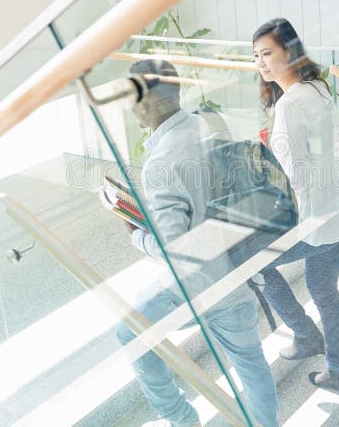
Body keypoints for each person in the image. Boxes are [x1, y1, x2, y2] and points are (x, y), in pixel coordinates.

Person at [114, 59, 279, 427]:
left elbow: (180, 254)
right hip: (238, 270)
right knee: (250, 363)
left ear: (144, 104)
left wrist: (139, 236)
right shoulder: (209, 124)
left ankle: (182, 420)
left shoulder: (159, 164)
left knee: (129, 334)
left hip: (198, 284)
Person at [252, 18, 339, 397]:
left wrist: (270, 154)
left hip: (315, 219)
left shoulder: (290, 106)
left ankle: (304, 333)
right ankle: (337, 370)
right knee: (322, 288)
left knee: (257, 264)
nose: (261, 63)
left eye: (267, 53)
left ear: (290, 51)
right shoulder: (317, 88)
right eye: (256, 56)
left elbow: (296, 176)